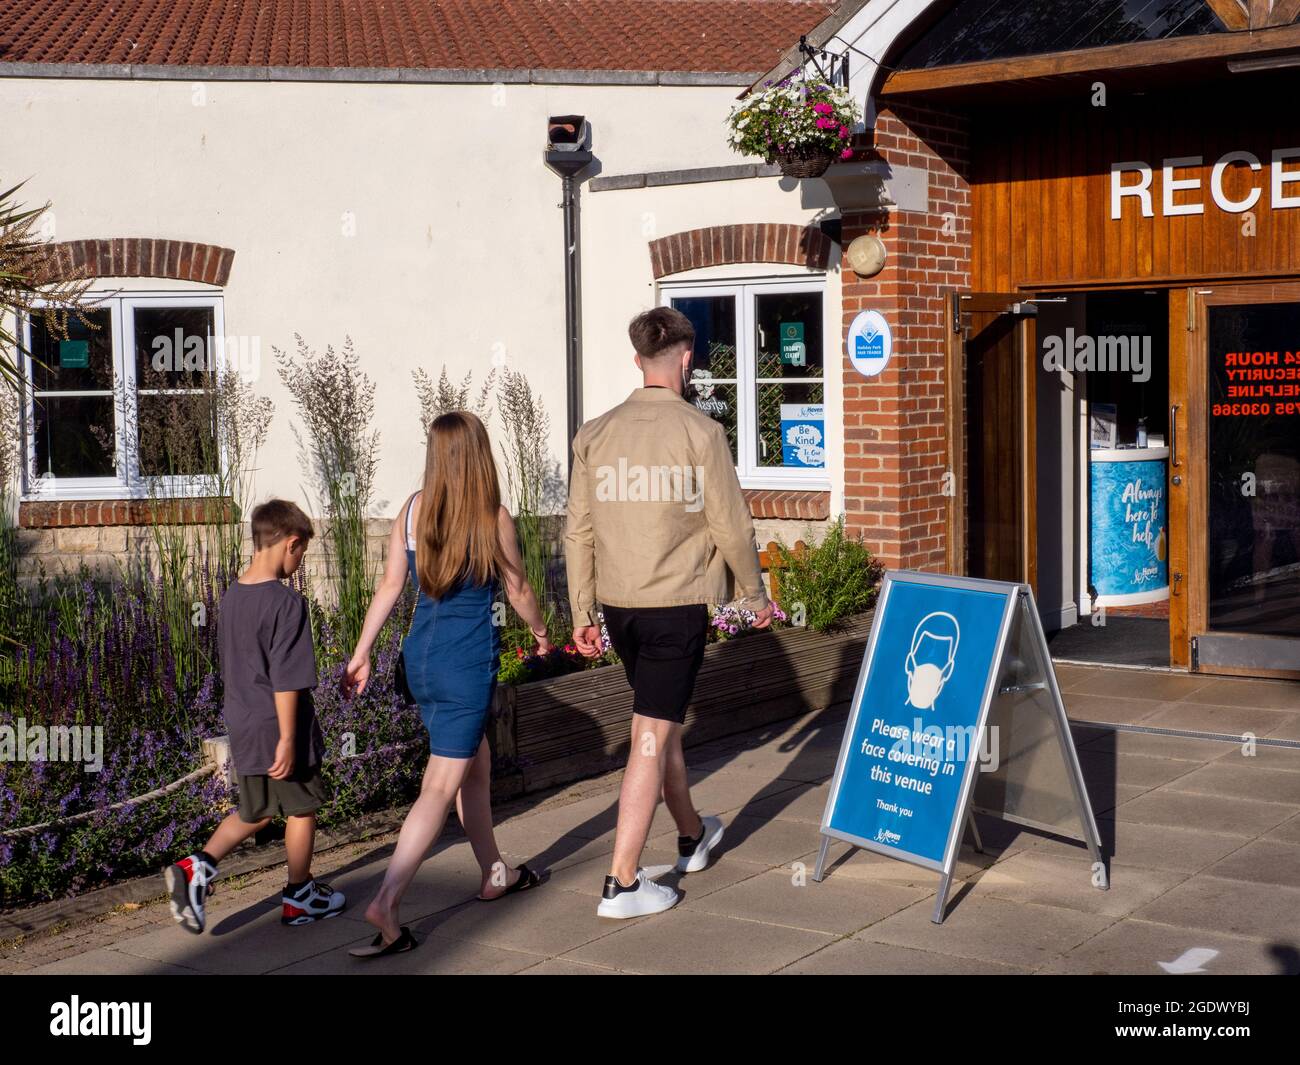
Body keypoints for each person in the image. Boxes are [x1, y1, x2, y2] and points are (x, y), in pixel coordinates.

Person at [565, 306, 772, 919]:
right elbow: (730, 526)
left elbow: (577, 532)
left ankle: (692, 835)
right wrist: (755, 597)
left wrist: (581, 610)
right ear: (687, 359)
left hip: (618, 607)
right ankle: (622, 882)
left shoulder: (593, 434)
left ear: (638, 361)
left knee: (660, 721)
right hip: (675, 606)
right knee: (651, 738)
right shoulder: (700, 433)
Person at [342, 411, 548, 958]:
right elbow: (520, 588)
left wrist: (361, 653)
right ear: (479, 455)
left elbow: (390, 586)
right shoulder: (492, 518)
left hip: (422, 662)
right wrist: (543, 632)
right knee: (437, 788)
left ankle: (495, 872)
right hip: (463, 667)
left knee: (472, 771)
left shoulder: (411, 511)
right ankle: (387, 900)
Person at [165, 499, 345, 934]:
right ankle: (300, 896)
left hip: (243, 721)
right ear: (291, 543)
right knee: (302, 809)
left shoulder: (231, 597)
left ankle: (196, 867)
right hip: (280, 725)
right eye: (301, 553)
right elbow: (287, 679)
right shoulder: (287, 604)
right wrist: (287, 737)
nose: (299, 563)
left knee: (257, 809)